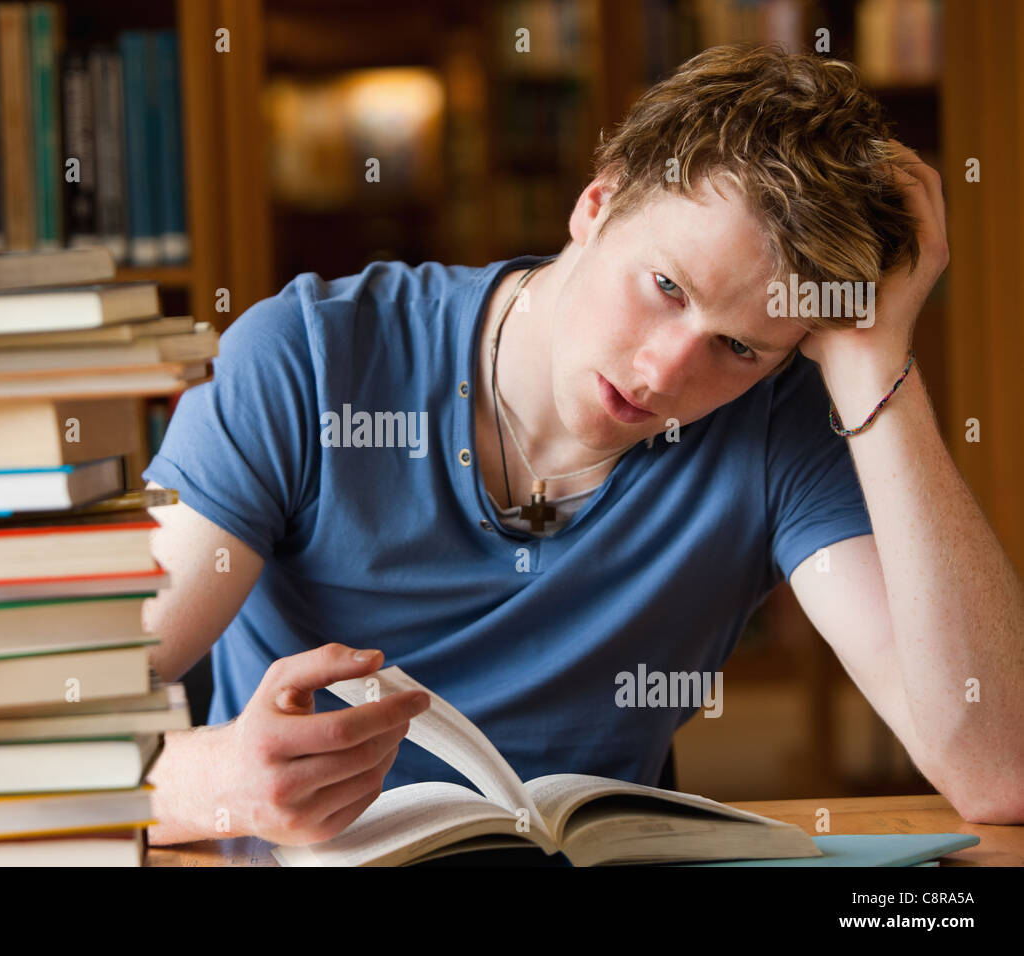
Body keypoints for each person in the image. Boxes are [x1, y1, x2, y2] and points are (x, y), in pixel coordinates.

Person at [140, 44, 1023, 848]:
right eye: (667, 286)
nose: (665, 371)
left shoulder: (777, 423)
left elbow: (999, 769)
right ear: (596, 204)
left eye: (740, 346)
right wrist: (200, 783)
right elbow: (28, 736)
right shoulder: (309, 359)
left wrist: (877, 368)